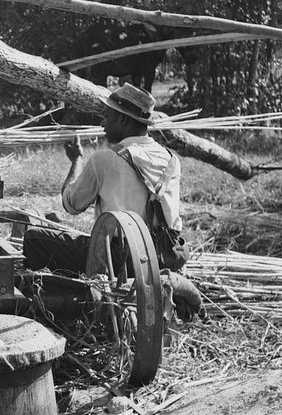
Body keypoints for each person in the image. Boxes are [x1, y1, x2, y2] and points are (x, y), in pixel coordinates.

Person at [23, 83, 184, 275]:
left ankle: (73, 298)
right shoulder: (171, 159)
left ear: (123, 119)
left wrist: (76, 160)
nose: (102, 124)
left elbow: (71, 204)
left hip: (123, 260)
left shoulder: (105, 159)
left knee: (35, 239)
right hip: (165, 257)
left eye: (107, 116)